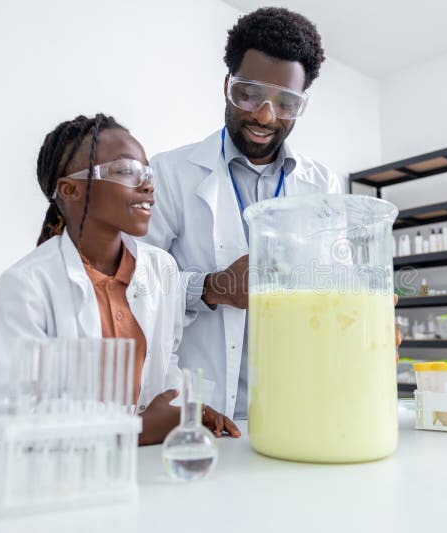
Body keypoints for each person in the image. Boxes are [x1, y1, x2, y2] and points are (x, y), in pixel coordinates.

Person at [0, 113, 240, 445]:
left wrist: (189, 411)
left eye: (147, 172)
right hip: (51, 484)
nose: (147, 184)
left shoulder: (161, 269)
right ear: (71, 189)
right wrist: (137, 429)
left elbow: (165, 369)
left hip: (142, 471)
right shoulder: (27, 285)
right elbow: (11, 424)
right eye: (126, 171)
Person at [145, 8, 342, 420]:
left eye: (286, 102)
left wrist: (360, 310)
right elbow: (133, 289)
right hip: (202, 407)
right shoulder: (169, 173)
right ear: (227, 86)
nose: (265, 116)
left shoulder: (323, 186)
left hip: (295, 404)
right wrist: (213, 287)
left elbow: (333, 290)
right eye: (249, 94)